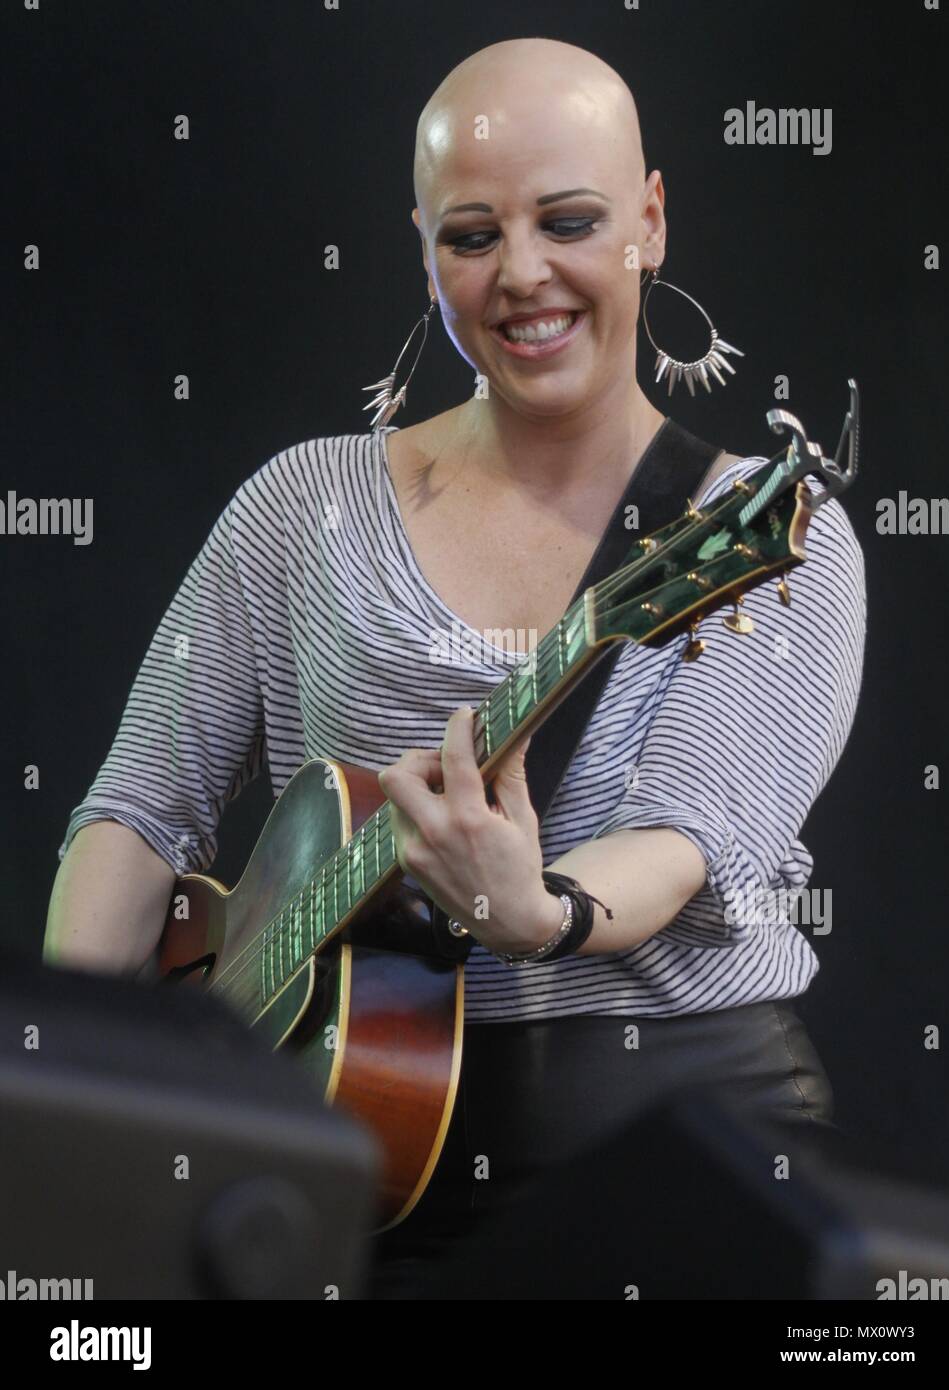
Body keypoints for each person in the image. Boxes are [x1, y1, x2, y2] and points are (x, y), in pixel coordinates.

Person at [44, 38, 866, 1298]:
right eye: (471, 235)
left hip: (676, 1150)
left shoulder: (752, 536)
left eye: (571, 220)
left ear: (648, 219)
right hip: (340, 1161)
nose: (522, 274)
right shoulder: (301, 503)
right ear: (422, 249)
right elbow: (140, 808)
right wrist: (59, 1100)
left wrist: (537, 912)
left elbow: (690, 829)